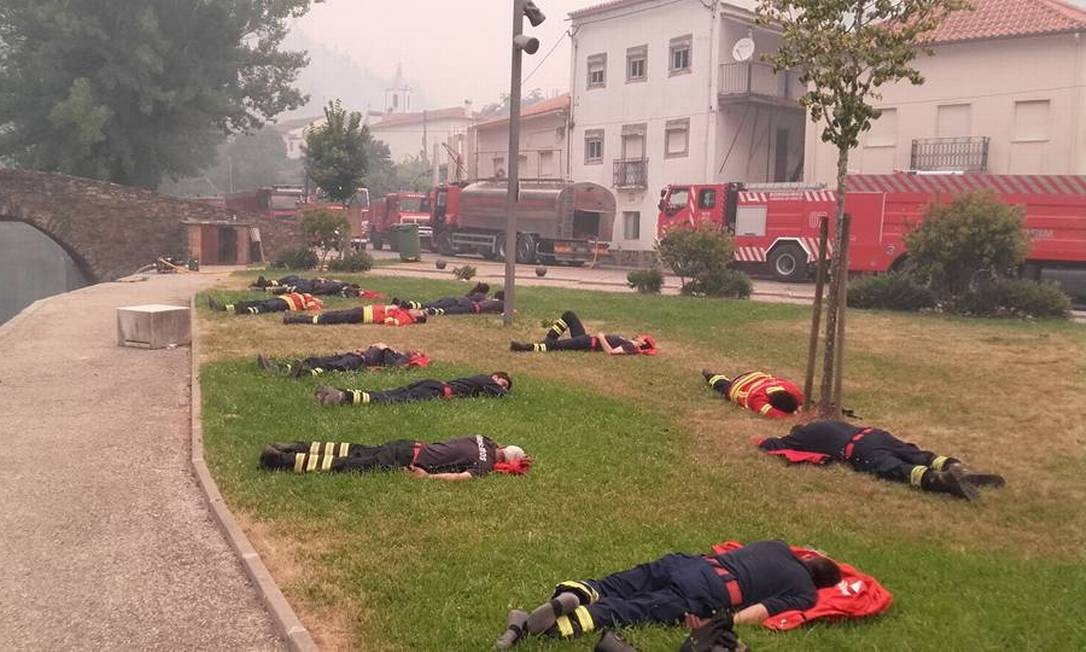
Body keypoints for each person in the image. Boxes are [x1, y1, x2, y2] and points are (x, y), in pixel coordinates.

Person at [493, 539, 840, 649]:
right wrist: (716, 624)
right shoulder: (805, 593)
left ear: (809, 556)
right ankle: (560, 626)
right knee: (632, 609)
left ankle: (577, 593)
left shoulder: (778, 546)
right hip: (711, 592)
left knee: (617, 584)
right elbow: (762, 609)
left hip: (689, 565)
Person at [757, 420, 1006, 500]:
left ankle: (939, 481)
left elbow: (770, 445)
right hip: (875, 434)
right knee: (917, 454)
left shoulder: (799, 436)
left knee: (896, 468)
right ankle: (953, 465)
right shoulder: (825, 422)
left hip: (859, 450)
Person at [258, 434, 531, 480]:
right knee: (348, 464)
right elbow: (460, 477)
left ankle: (293, 446)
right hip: (405, 461)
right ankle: (280, 461)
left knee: (350, 449)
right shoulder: (485, 465)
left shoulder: (481, 438)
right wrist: (427, 478)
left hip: (408, 445)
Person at [315, 372, 511, 406]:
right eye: (502, 383)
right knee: (392, 399)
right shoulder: (487, 380)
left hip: (433, 384)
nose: (499, 387)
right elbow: (502, 396)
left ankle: (335, 391)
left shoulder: (477, 381)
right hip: (438, 391)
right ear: (496, 377)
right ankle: (342, 397)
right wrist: (505, 391)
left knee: (390, 394)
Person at [510, 311, 657, 355]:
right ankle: (548, 340)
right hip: (586, 338)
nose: (639, 335)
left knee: (555, 346)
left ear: (643, 343)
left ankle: (525, 347)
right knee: (569, 315)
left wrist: (601, 337)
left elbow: (611, 352)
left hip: (587, 343)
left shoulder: (631, 347)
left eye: (642, 336)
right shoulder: (628, 342)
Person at [256, 343, 429, 378]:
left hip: (360, 362)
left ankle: (304, 374)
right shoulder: (398, 354)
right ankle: (278, 367)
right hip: (355, 355)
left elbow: (391, 367)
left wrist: (384, 349)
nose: (416, 349)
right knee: (317, 359)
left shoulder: (399, 360)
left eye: (418, 352)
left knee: (335, 366)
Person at [702, 369, 803, 418]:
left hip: (755, 375)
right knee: (723, 386)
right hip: (738, 385)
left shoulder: (793, 389)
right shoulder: (757, 399)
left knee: (724, 385)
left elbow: (803, 400)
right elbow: (773, 414)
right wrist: (792, 414)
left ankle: (711, 375)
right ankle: (711, 377)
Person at [282, 304, 426, 326]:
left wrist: (391, 311)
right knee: (333, 314)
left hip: (365, 316)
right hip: (364, 310)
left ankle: (293, 319)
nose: (415, 309)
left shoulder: (406, 318)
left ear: (417, 317)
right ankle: (294, 318)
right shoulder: (405, 312)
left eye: (418, 312)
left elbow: (390, 322)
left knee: (329, 318)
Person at [250, 274, 376, 298]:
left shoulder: (338, 287)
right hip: (310, 282)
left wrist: (317, 283)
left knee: (292, 287)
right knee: (292, 278)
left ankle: (262, 288)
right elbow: (326, 284)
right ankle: (264, 284)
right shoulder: (339, 284)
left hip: (311, 287)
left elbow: (320, 290)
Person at [208, 292, 322, 315]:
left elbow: (313, 310)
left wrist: (315, 303)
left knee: (267, 306)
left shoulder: (309, 299)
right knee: (256, 302)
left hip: (286, 304)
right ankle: (223, 307)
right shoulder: (306, 295)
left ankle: (247, 311)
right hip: (282, 299)